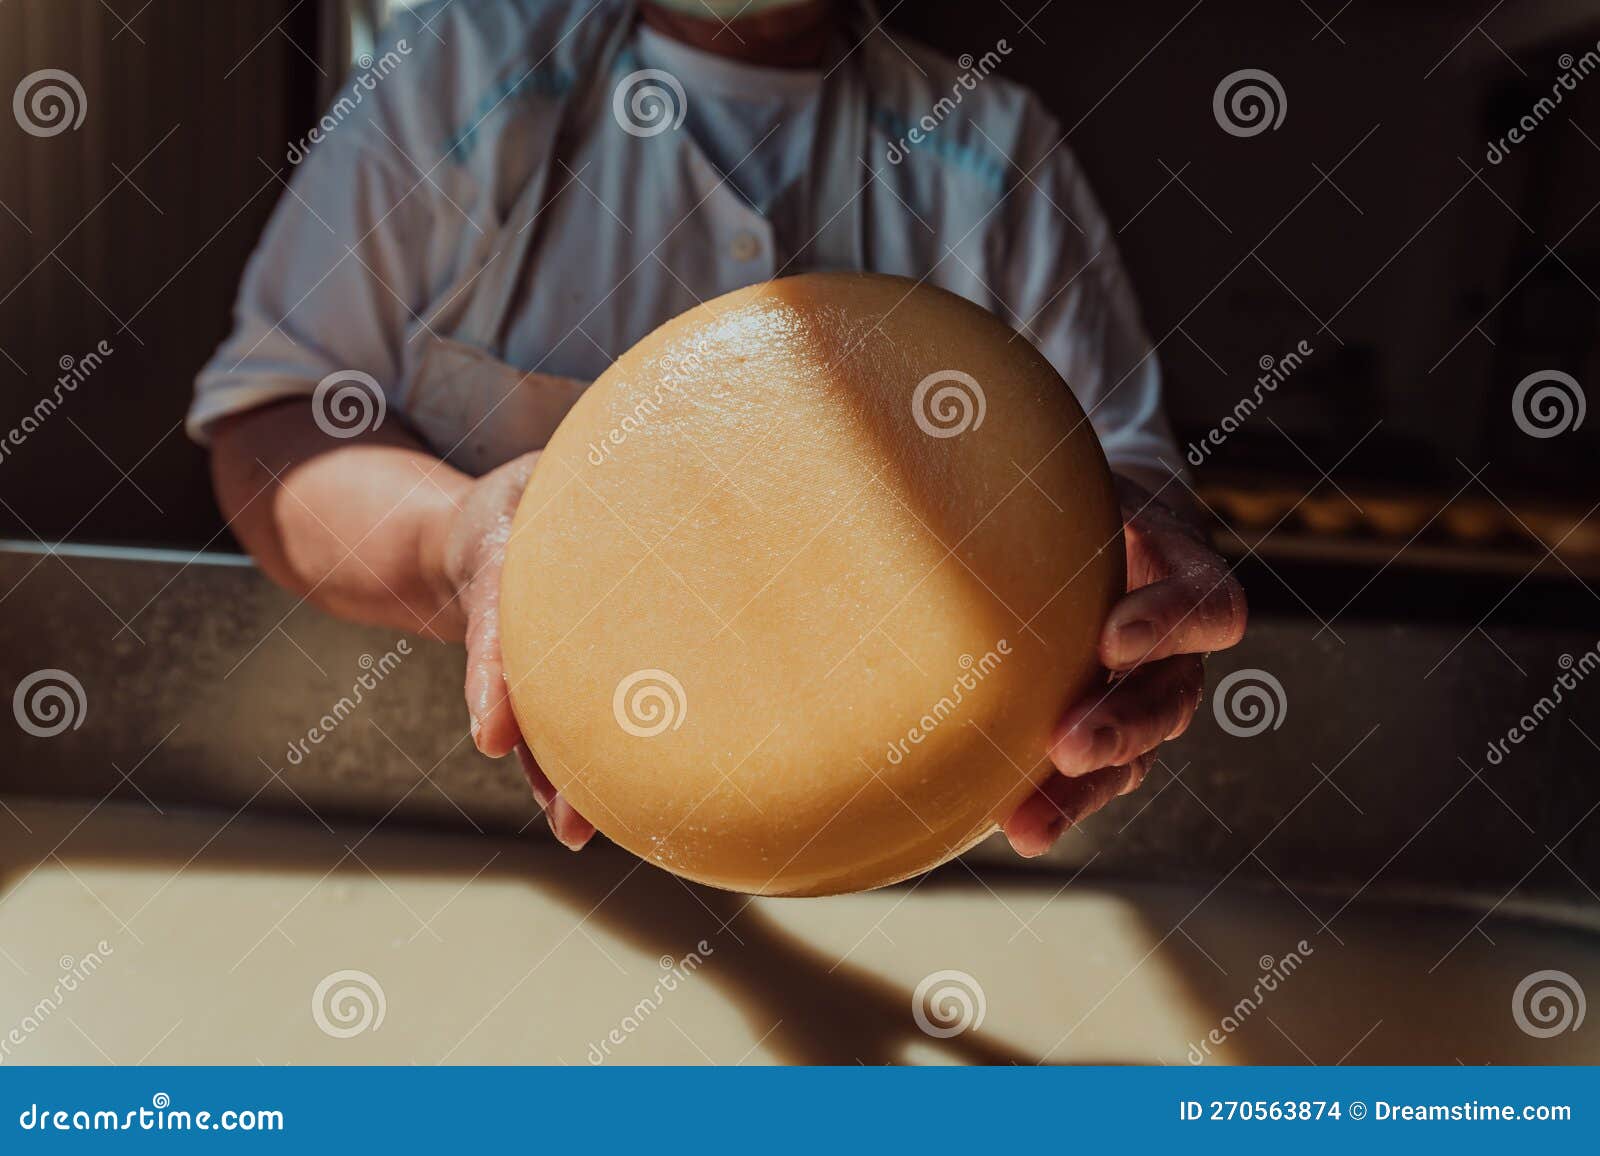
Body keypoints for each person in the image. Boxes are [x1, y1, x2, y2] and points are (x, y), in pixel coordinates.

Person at [192, 0, 1246, 860]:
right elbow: (273, 425)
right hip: (435, 835)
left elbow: (1120, 469)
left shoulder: (988, 151)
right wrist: (455, 540)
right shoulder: (454, 78)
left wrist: (1133, 592)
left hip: (906, 847)